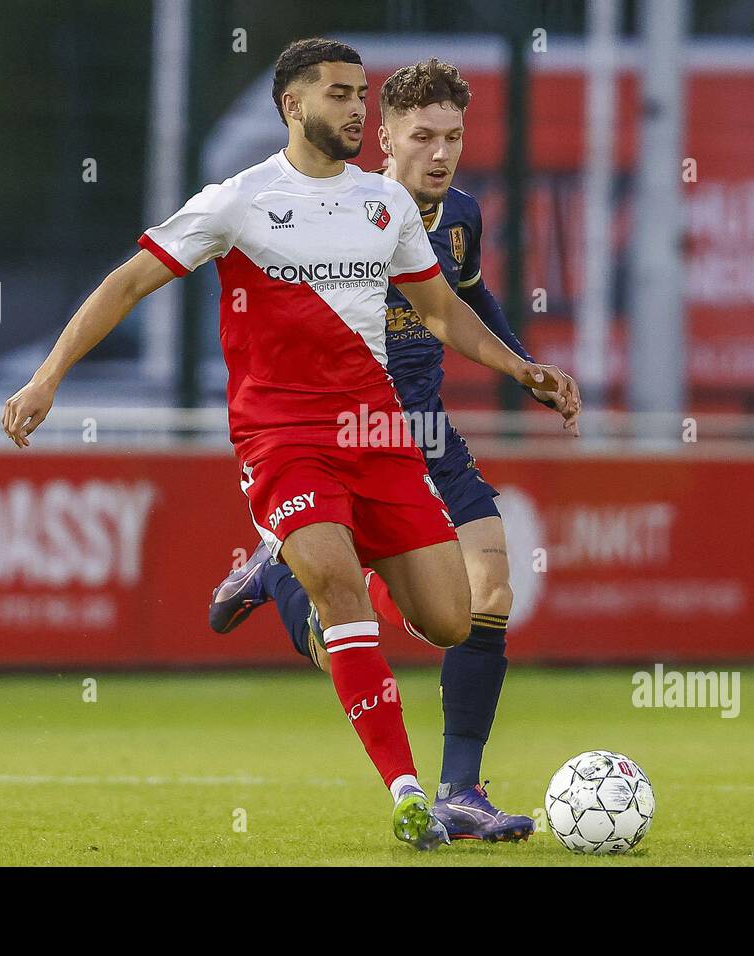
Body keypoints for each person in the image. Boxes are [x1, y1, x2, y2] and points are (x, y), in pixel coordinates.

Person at [2, 38, 580, 851]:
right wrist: (48, 376)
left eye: (359, 93)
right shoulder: (238, 201)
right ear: (293, 106)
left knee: (454, 619)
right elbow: (130, 279)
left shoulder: (382, 208)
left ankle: (275, 570)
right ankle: (411, 791)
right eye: (339, 94)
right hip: (283, 437)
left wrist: (523, 369)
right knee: (340, 587)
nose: (354, 107)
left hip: (380, 433)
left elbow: (445, 314)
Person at [209, 58, 579, 843]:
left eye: (453, 137)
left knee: (492, 590)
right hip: (352, 432)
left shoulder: (459, 217)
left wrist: (525, 368)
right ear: (384, 138)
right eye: (422, 138)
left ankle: (461, 791)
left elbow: (466, 296)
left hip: (427, 427)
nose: (439, 154)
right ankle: (280, 575)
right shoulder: (346, 213)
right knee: (348, 617)